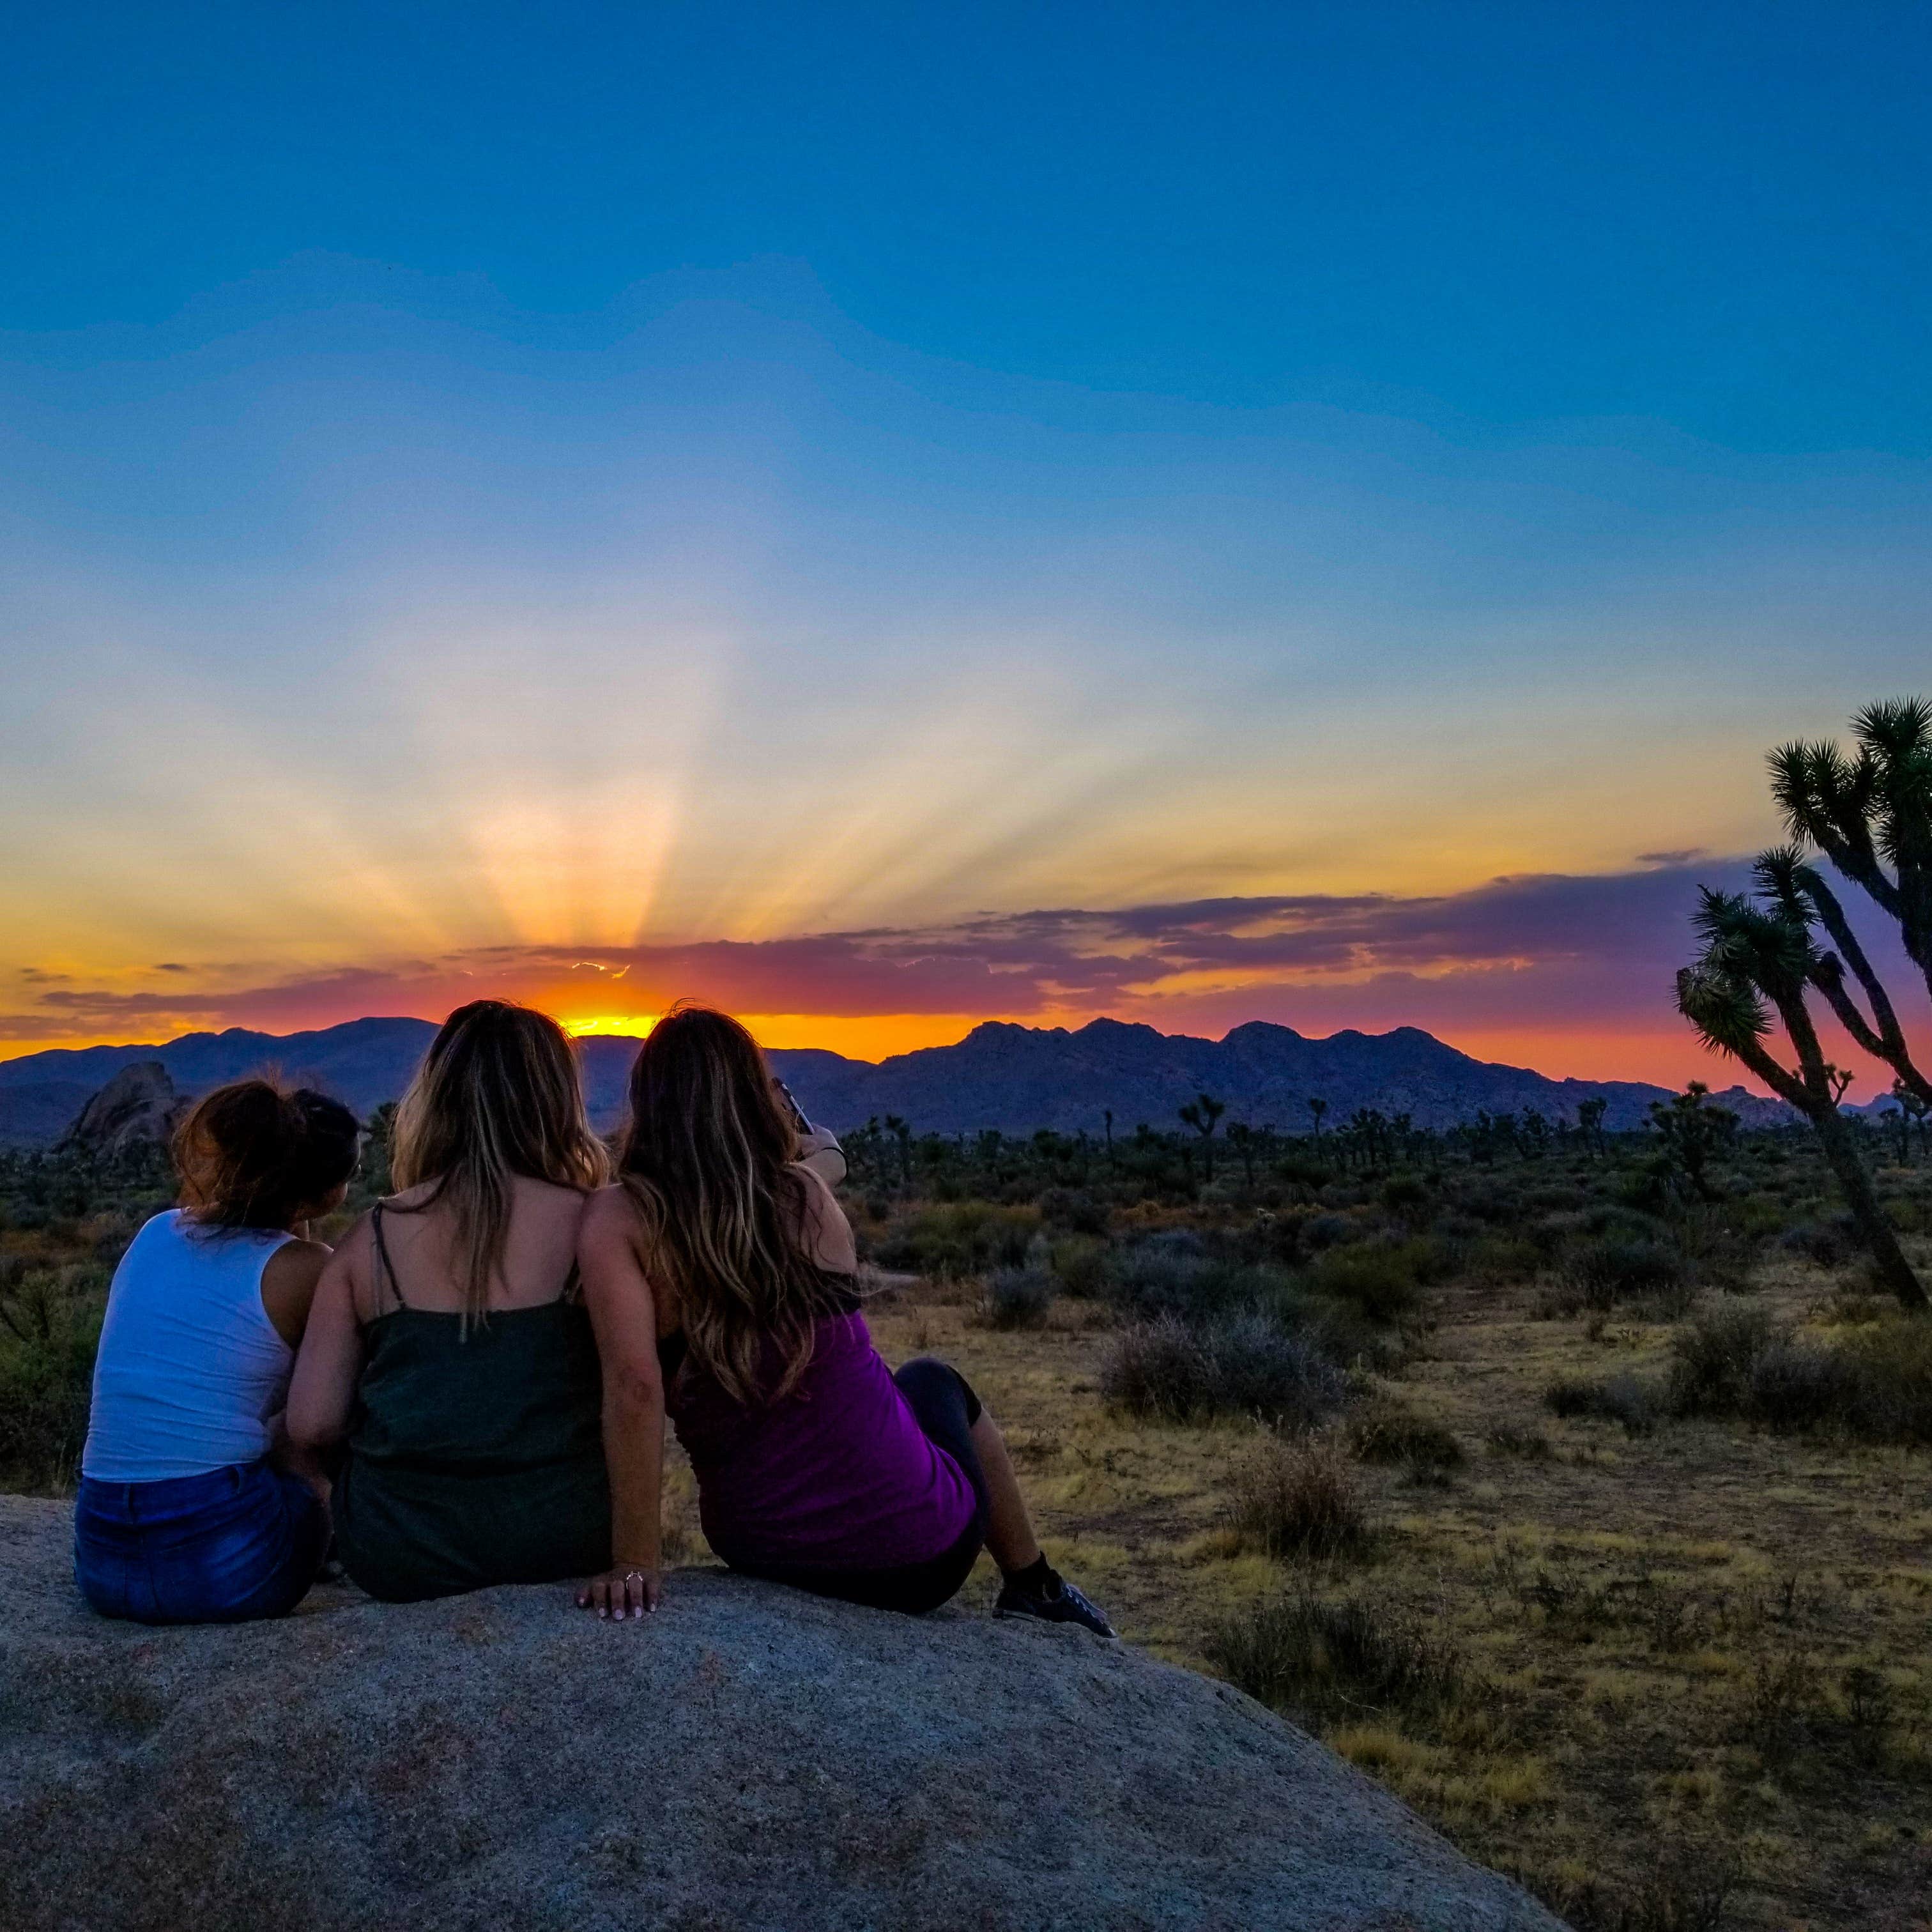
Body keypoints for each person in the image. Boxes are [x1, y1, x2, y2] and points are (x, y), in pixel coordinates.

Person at [576, 1003, 1113, 1635]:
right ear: (753, 1101)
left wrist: (635, 1561)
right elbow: (759, 1200)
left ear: (648, 1104)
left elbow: (636, 1388)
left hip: (759, 1545)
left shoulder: (617, 1220)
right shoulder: (806, 1199)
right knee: (932, 1381)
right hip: (918, 1556)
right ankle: (1034, 1585)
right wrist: (823, 1152)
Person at [287, 1000, 612, 1602]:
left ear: (435, 1099)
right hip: (567, 1540)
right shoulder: (598, 1229)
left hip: (400, 1553)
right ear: (556, 1101)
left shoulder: (369, 1242)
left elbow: (312, 1424)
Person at [74, 1078, 358, 1624]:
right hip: (229, 1575)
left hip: (104, 1565)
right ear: (329, 1190)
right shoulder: (308, 1269)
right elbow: (319, 1413)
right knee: (307, 1417)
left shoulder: (156, 1232)